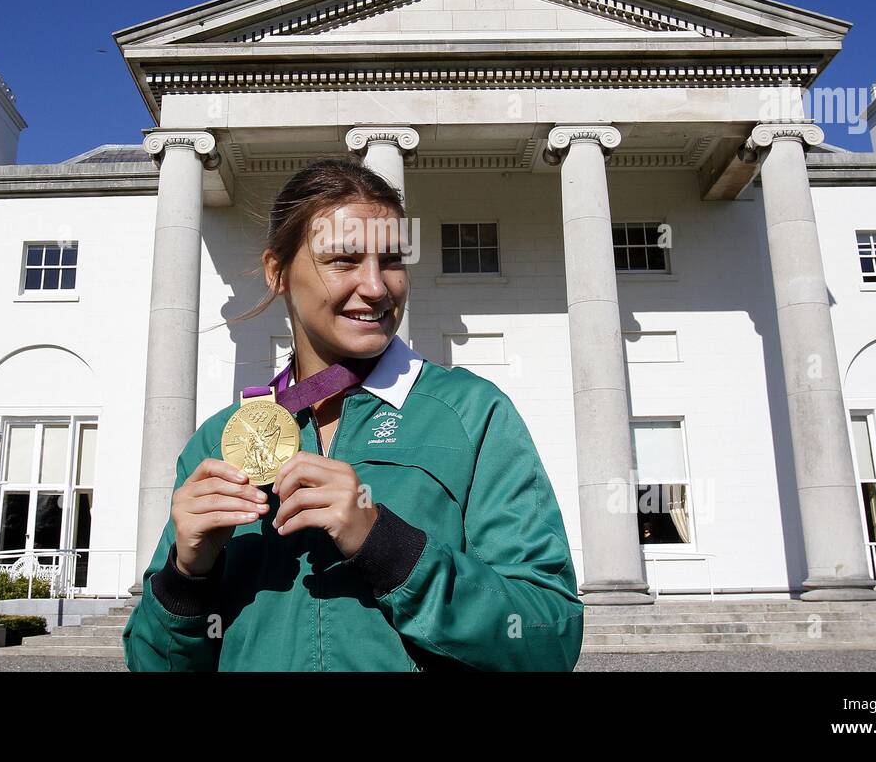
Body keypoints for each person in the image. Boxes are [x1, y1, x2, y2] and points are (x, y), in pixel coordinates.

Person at [122, 158, 584, 671]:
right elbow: (154, 663)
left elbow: (550, 638)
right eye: (344, 259)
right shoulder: (218, 442)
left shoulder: (472, 414)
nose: (377, 287)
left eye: (391, 260)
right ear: (278, 272)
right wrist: (184, 577)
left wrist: (387, 546)